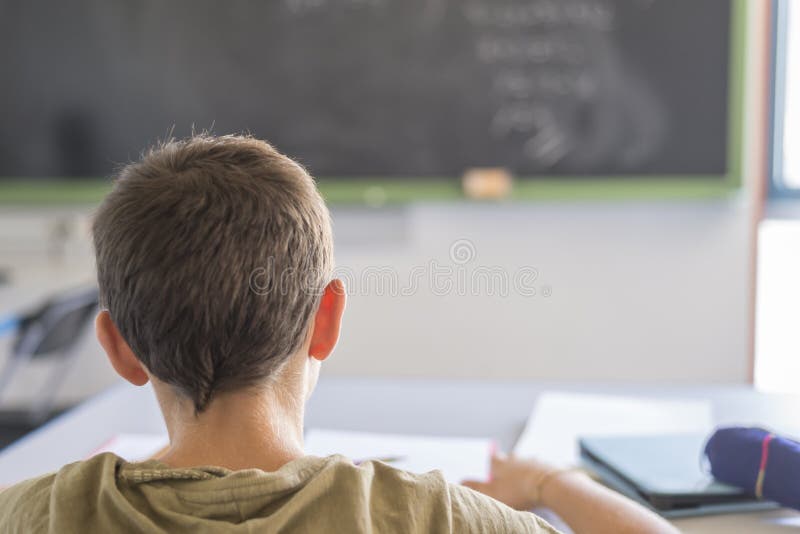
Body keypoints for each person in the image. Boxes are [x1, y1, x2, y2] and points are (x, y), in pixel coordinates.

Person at [0, 135, 676, 533]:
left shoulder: (42, 513)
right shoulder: (421, 515)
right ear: (327, 321)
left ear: (118, 348)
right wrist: (550, 482)